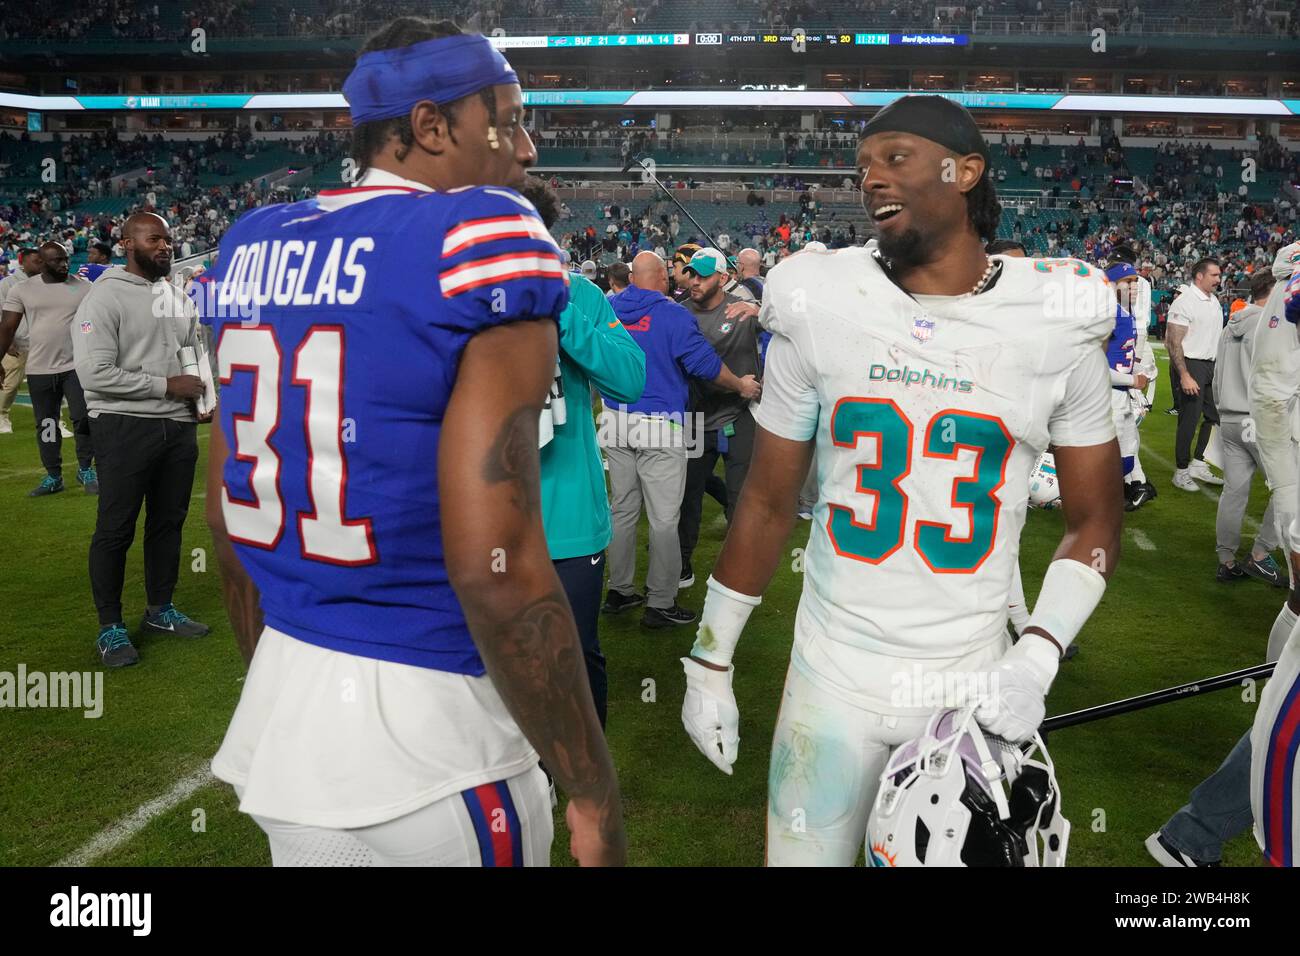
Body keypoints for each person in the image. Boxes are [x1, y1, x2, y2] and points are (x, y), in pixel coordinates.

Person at [205, 18, 625, 868]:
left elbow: (226, 519)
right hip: (435, 739)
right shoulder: (480, 238)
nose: (529, 148)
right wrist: (590, 786)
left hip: (288, 711)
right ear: (432, 128)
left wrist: (286, 667)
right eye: (506, 118)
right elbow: (495, 560)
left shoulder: (253, 244)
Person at [678, 95, 1123, 865]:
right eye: (862, 166)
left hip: (970, 685)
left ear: (967, 171)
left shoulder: (1054, 316)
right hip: (831, 676)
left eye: (896, 157)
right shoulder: (820, 298)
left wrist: (1038, 657)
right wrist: (710, 661)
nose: (872, 179)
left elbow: (1094, 519)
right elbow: (766, 499)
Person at [521, 177, 646, 727]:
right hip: (482, 521)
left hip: (567, 518)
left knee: (574, 652)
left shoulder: (579, 295)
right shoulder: (452, 296)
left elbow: (630, 378)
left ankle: (581, 769)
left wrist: (560, 311)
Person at [73, 214, 209, 667]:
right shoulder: (103, 297)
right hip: (125, 424)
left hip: (178, 427)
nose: (165, 246)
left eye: (168, 240)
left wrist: (202, 394)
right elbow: (94, 373)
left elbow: (191, 352)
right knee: (116, 527)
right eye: (155, 239)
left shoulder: (175, 296)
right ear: (126, 243)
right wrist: (166, 386)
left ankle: (160, 609)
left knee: (168, 523)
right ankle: (110, 626)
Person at [603, 251, 759, 629]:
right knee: (662, 518)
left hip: (613, 418)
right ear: (659, 277)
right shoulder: (673, 314)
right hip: (661, 420)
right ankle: (660, 601)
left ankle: (620, 590)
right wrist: (740, 384)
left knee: (622, 512)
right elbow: (704, 365)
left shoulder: (607, 309)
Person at [677, 247, 764, 589]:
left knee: (741, 498)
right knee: (687, 498)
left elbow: (799, 323)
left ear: (724, 278)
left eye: (702, 275)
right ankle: (681, 566)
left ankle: (738, 572)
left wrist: (763, 309)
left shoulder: (743, 311)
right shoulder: (680, 313)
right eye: (691, 274)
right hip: (696, 420)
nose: (693, 280)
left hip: (740, 415)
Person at [0, 241, 96, 497]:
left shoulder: (84, 287)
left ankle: (86, 469)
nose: (64, 264)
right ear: (42, 263)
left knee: (83, 418)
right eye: (57, 260)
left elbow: (98, 322)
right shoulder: (22, 290)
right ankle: (54, 476)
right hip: (39, 368)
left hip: (76, 366)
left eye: (66, 259)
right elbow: (7, 327)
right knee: (47, 424)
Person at [1212, 271, 1286, 585]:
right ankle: (1260, 554)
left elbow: (1216, 376)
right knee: (1288, 491)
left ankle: (1226, 560)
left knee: (1233, 492)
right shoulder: (1273, 326)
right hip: (1261, 419)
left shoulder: (1232, 324)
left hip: (1230, 418)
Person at [1166, 258, 1225, 492]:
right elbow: (1173, 342)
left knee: (1214, 416)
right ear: (1199, 276)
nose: (1219, 280)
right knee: (1189, 419)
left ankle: (1198, 463)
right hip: (1191, 364)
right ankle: (1181, 471)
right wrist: (1184, 374)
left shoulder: (1214, 301)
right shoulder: (1185, 302)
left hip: (1210, 365)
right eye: (1215, 275)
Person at [0, 247, 43, 435]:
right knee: (10, 384)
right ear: (22, 262)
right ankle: (1, 417)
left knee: (49, 386)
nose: (40, 264)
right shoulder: (7, 284)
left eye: (41, 261)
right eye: (36, 261)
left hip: (44, 344)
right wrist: (6, 341)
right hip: (17, 343)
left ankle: (52, 422)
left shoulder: (47, 282)